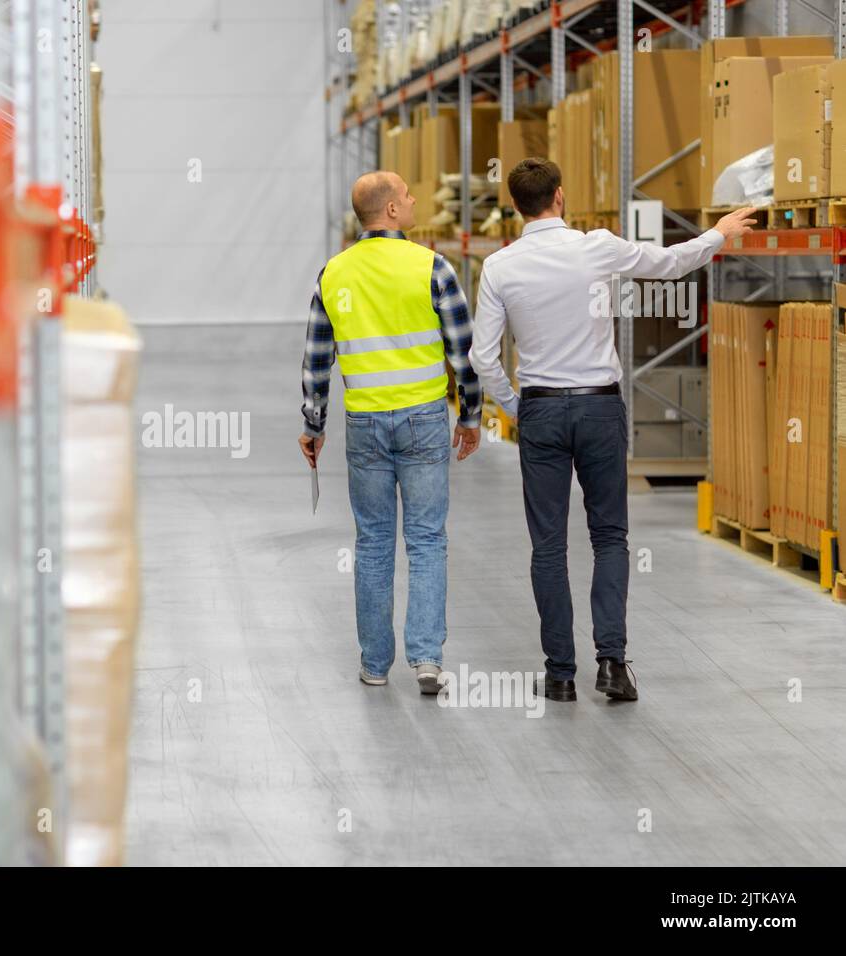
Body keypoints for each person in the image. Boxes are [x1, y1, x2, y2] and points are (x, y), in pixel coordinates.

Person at [468, 157, 756, 703]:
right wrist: (717, 234)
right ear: (558, 195)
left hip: (542, 411)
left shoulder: (500, 267)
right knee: (609, 536)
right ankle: (612, 665)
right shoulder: (594, 245)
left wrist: (515, 407)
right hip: (600, 410)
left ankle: (559, 673)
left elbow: (482, 356)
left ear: (515, 205)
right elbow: (670, 263)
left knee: (548, 546)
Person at [299, 170, 482, 693]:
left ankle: (375, 664)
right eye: (407, 194)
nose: (415, 197)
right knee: (426, 539)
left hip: (365, 424)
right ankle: (426, 660)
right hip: (424, 419)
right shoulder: (432, 267)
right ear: (393, 211)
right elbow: (461, 352)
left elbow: (317, 360)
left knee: (374, 541)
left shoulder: (333, 274)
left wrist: (314, 425)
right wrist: (470, 414)